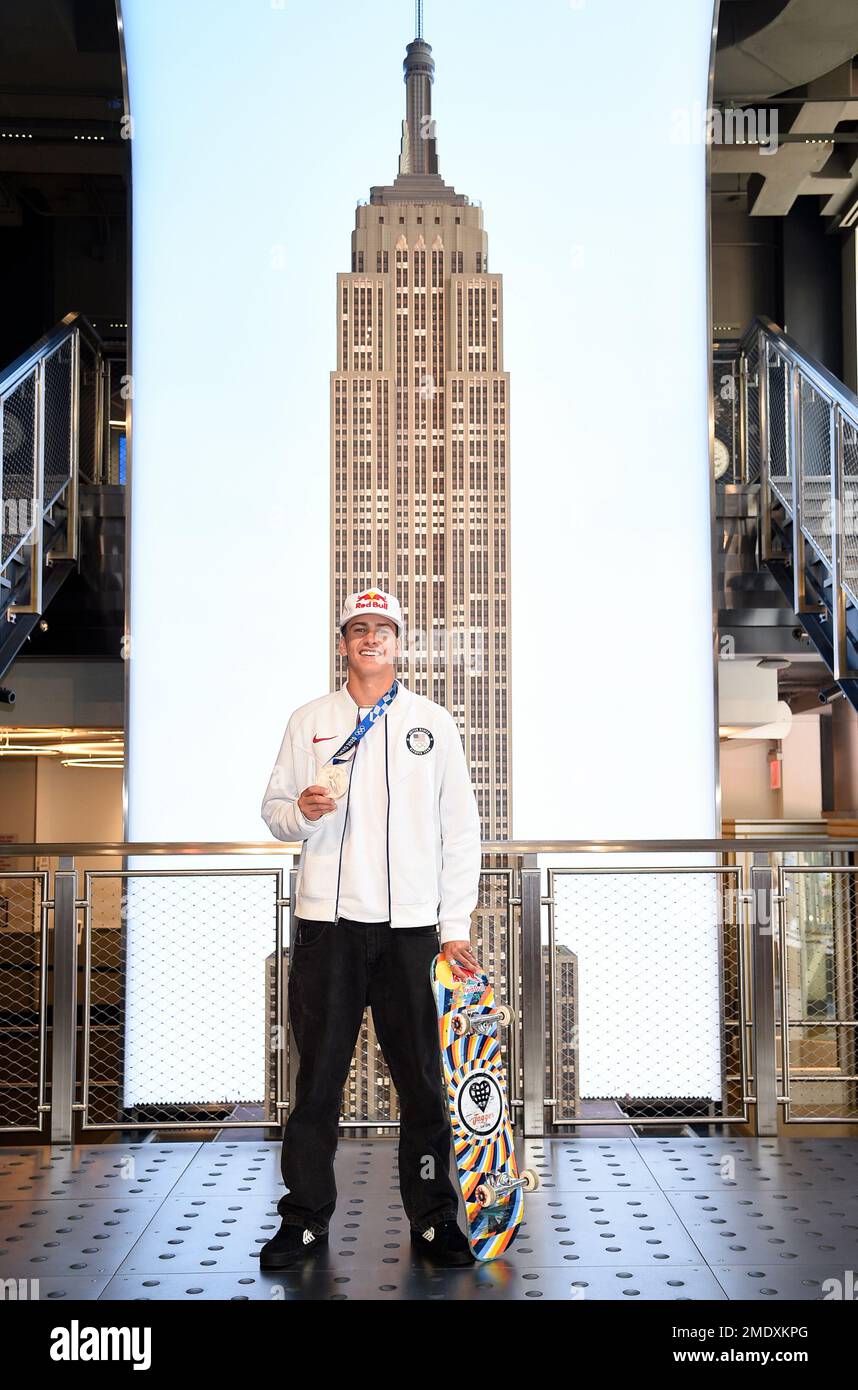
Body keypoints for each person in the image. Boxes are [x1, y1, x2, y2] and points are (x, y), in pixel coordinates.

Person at [258, 587, 483, 1269]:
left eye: (381, 628)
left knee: (420, 1080)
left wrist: (454, 927)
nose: (369, 638)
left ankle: (433, 1218)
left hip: (412, 932)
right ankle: (302, 1221)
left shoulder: (432, 722)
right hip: (328, 927)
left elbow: (460, 829)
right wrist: (300, 807)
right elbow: (274, 812)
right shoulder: (311, 720)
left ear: (398, 641)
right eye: (358, 628)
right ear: (343, 643)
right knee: (318, 1080)